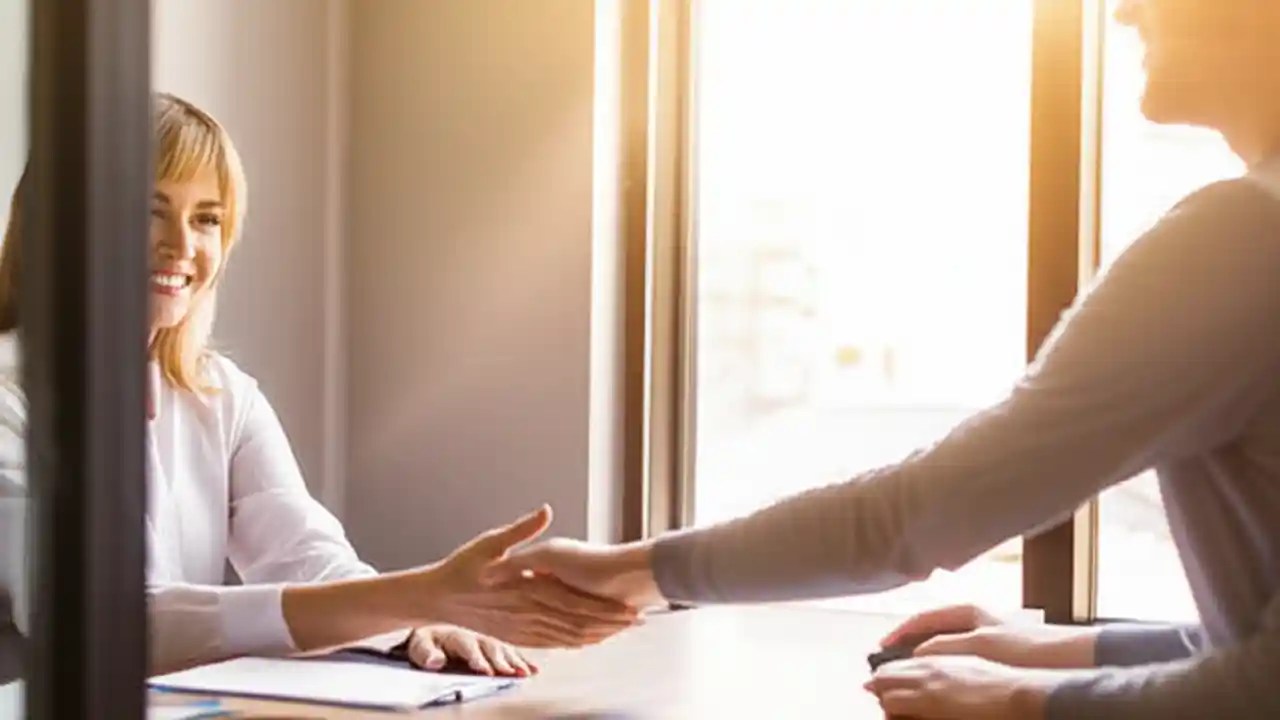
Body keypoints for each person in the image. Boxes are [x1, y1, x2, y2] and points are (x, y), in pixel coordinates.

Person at [492, 1, 1280, 717]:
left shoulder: (1243, 244)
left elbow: (919, 516)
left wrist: (1018, 704)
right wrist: (1062, 649)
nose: (1126, 15)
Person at [0, 93, 636, 676]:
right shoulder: (8, 400)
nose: (182, 246)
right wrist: (413, 594)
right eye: (151, 211)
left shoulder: (220, 396)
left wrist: (416, 620)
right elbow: (109, 626)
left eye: (207, 219)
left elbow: (304, 553)